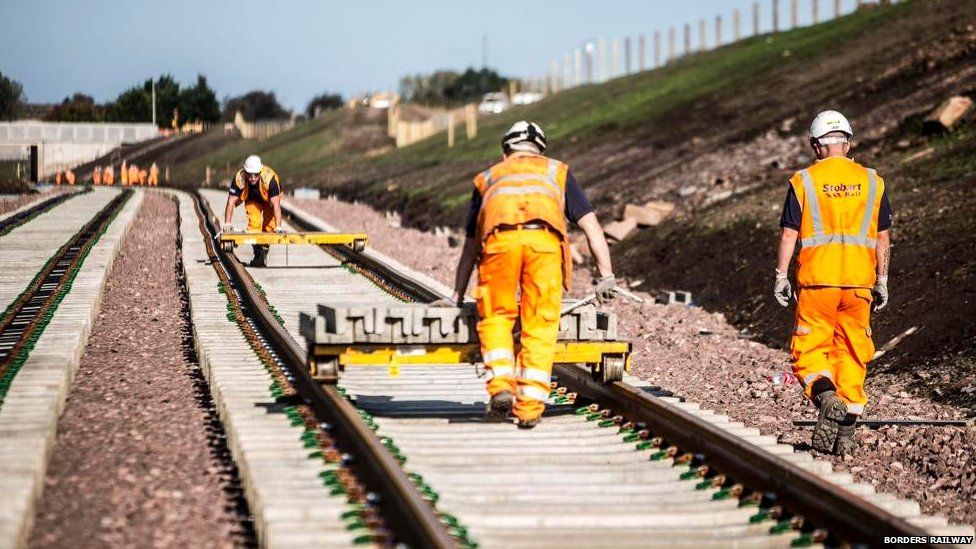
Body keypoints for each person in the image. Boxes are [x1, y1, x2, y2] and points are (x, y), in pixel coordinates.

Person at [449, 121, 617, 429]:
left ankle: (500, 386)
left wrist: (456, 296)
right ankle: (528, 410)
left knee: (497, 317)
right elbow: (591, 226)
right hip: (545, 245)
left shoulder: (488, 177)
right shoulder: (557, 172)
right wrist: (606, 275)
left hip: (499, 244)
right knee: (539, 324)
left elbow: (470, 245)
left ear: (505, 152)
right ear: (541, 149)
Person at [773, 110, 892, 455]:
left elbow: (788, 234)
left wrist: (781, 276)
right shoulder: (873, 181)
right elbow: (883, 238)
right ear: (848, 142)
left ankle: (826, 397)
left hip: (817, 284)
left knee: (809, 351)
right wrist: (882, 280)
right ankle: (846, 434)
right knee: (853, 352)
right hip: (859, 284)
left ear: (815, 146)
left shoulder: (804, 181)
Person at [222, 155, 284, 267]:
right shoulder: (239, 179)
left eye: (256, 174)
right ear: (245, 172)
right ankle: (258, 254)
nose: (253, 178)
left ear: (260, 171)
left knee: (269, 228)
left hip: (269, 200)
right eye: (250, 175)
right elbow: (231, 202)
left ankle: (262, 254)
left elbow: (276, 204)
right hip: (252, 199)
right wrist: (227, 223)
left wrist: (278, 227)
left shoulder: (270, 179)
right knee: (253, 226)